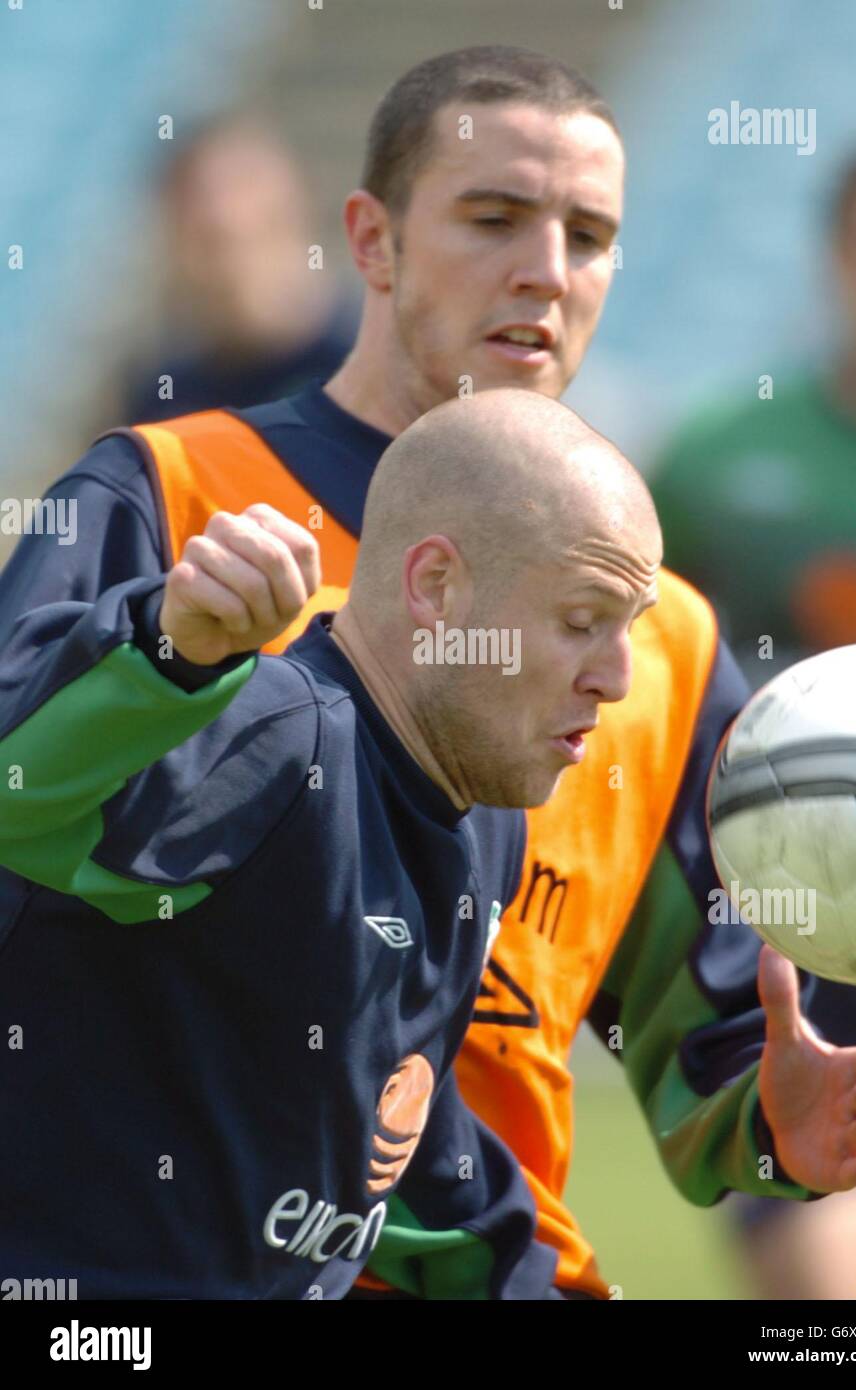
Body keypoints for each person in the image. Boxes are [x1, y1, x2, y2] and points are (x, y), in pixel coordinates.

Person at [0, 47, 856, 1300]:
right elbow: (21, 791)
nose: (545, 267)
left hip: (479, 1258)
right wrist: (165, 644)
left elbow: (715, 1023)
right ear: (370, 240)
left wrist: (772, 1120)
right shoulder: (171, 493)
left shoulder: (663, 641)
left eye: (588, 235)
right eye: (493, 217)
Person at [0, 389, 656, 1300]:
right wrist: (166, 649)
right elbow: (16, 804)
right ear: (434, 586)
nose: (618, 677)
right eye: (584, 621)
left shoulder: (480, 817)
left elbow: (404, 1160)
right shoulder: (274, 738)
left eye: (633, 626)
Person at [651, 141, 856, 1299]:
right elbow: (636, 683)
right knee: (825, 1308)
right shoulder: (719, 457)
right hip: (791, 952)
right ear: (834, 264)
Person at [120, 113, 357, 423]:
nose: (233, 270)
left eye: (261, 232)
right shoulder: (167, 396)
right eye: (208, 243)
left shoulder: (371, 364)